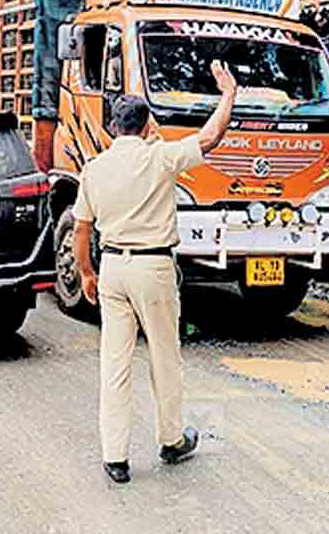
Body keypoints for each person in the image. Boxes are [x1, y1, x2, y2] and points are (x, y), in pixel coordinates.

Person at [72, 61, 239, 484]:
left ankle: (115, 457)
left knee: (115, 364)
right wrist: (228, 95)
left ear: (113, 128)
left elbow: (81, 228)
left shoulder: (95, 168)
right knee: (164, 358)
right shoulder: (161, 157)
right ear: (147, 126)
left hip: (112, 268)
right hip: (154, 268)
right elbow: (210, 137)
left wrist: (87, 273)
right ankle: (170, 440)